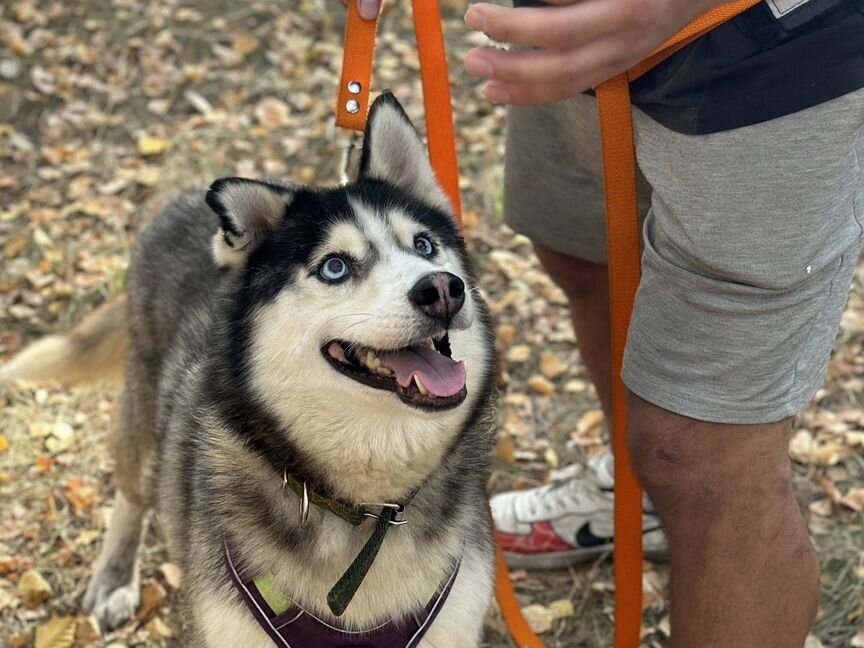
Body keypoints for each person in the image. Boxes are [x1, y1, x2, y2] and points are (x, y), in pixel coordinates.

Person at [348, 1, 864, 646]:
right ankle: (638, 497)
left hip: (777, 50)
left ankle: (666, 486)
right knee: (580, 254)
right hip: (569, 31)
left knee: (699, 451)